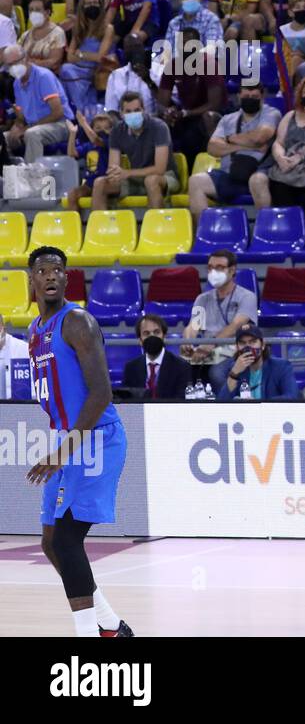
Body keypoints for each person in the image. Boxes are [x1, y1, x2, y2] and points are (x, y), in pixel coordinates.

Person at [25, 245, 132, 638]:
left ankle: (88, 639)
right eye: (42, 270)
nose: (50, 275)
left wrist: (61, 451)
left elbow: (101, 394)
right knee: (52, 542)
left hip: (96, 441)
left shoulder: (78, 322)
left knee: (69, 540)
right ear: (31, 280)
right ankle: (111, 625)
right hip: (67, 442)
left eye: (57, 269)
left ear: (66, 278)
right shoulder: (36, 331)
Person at [186, 83, 281, 221]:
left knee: (257, 180)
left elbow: (259, 137)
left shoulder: (271, 113)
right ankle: (204, 232)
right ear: (238, 96)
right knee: (195, 181)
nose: (250, 98)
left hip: (259, 171)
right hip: (230, 174)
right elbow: (212, 148)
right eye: (246, 95)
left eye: (254, 96)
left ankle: (266, 231)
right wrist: (247, 147)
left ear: (262, 96)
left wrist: (230, 139)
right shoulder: (227, 119)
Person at [253, 75, 305, 220]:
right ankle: (287, 232)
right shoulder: (290, 115)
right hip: (288, 165)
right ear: (300, 95)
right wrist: (281, 158)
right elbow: (279, 143)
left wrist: (299, 157)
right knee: (278, 184)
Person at [153, 27, 226, 168]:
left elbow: (215, 104)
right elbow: (162, 102)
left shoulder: (209, 64)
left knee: (204, 122)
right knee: (157, 122)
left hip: (210, 114)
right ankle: (165, 169)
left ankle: (210, 166)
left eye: (189, 43)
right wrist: (168, 113)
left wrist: (186, 113)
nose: (186, 47)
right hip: (186, 114)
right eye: (182, 44)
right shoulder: (173, 65)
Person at [182, 249, 258, 384]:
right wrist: (187, 341)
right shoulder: (202, 299)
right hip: (207, 351)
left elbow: (236, 326)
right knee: (180, 368)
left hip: (236, 351)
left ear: (232, 270)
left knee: (216, 373)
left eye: (219, 268)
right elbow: (194, 326)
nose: (213, 272)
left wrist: (209, 345)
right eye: (210, 268)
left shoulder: (247, 297)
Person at [92, 90, 177, 210]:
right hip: (134, 179)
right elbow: (114, 167)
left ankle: (157, 227)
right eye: (128, 111)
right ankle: (101, 227)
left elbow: (160, 169)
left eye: (137, 110)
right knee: (100, 183)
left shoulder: (159, 127)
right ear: (121, 114)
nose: (133, 114)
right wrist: (115, 174)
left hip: (165, 177)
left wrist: (127, 173)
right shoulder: (117, 130)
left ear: (143, 110)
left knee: (151, 181)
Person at [3, 44, 71, 161]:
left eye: (16, 62)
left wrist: (27, 128)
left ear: (27, 58)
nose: (13, 67)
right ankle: (10, 173)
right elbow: (21, 115)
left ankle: (32, 175)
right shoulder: (17, 84)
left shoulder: (43, 77)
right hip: (32, 125)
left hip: (61, 124)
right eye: (10, 65)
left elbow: (57, 113)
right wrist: (17, 126)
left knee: (32, 134)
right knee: (4, 137)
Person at [60, 0, 115, 115]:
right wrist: (86, 56)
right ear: (82, 7)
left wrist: (80, 54)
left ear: (101, 6)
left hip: (96, 69)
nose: (92, 6)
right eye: (89, 3)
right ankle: (73, 111)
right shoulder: (78, 28)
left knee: (67, 70)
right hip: (77, 68)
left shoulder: (108, 28)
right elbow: (69, 57)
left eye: (95, 2)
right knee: (65, 68)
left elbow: (100, 57)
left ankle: (80, 112)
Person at [214, 323, 300, 400]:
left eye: (253, 342)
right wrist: (234, 373)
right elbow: (222, 403)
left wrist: (257, 405)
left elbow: (291, 397)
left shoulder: (281, 367)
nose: (248, 347)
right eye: (243, 343)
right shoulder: (235, 368)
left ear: (262, 345)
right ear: (237, 347)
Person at [122, 313, 191, 400]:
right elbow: (127, 401)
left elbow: (182, 401)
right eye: (146, 333)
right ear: (140, 340)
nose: (152, 337)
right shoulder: (131, 368)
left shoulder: (181, 366)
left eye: (156, 332)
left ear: (164, 337)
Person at [17, 0, 67, 72]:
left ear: (47, 12)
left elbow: (54, 63)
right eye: (31, 10)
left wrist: (29, 63)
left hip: (47, 77)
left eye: (37, 10)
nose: (33, 13)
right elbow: (17, 56)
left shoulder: (57, 33)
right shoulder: (25, 35)